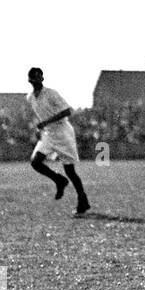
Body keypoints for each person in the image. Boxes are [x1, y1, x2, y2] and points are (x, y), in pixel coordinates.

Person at [27, 68, 90, 216]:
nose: (36, 80)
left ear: (42, 78)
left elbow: (67, 111)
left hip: (63, 132)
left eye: (38, 77)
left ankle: (83, 201)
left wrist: (45, 122)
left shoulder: (51, 93)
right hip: (48, 133)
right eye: (33, 78)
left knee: (70, 170)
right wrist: (41, 127)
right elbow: (42, 114)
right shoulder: (30, 97)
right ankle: (59, 180)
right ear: (29, 80)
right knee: (35, 162)